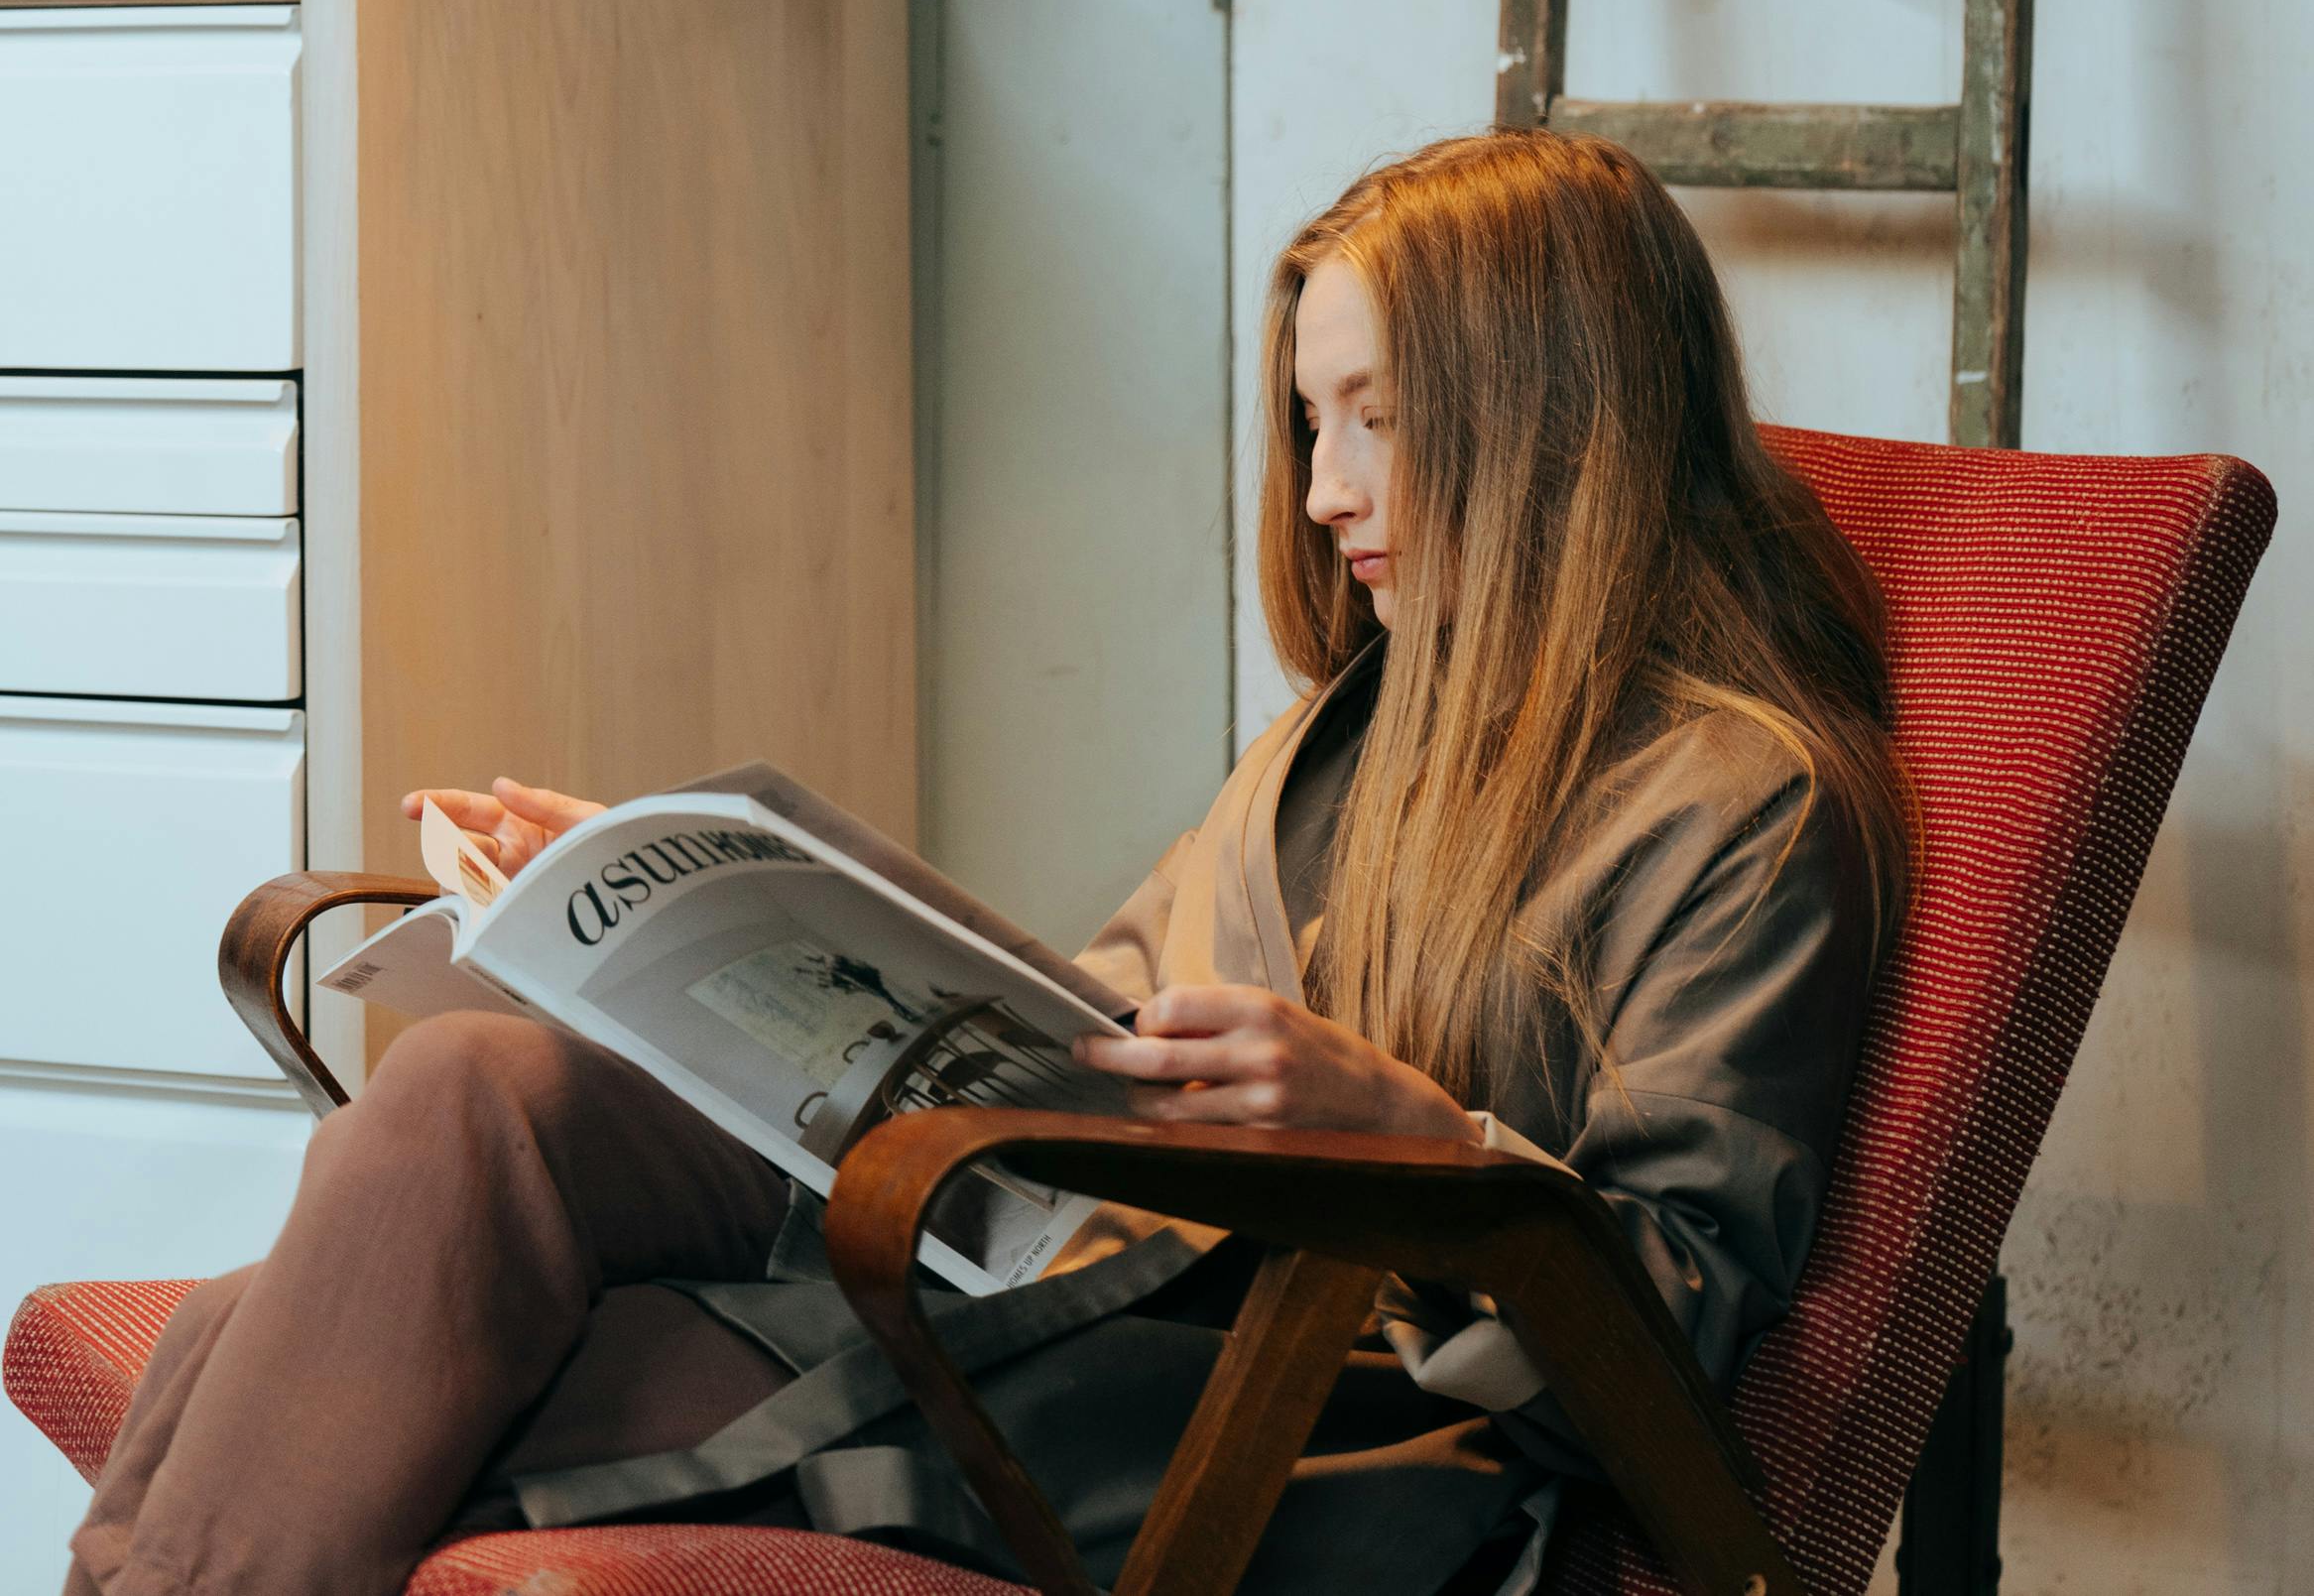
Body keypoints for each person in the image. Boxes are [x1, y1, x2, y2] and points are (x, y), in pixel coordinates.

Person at [68, 129, 1910, 1596]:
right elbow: (1097, 1023)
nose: (1328, 488)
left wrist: (1410, 1133)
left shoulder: (1738, 811)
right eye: (1309, 421)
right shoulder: (1355, 730)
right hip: (1049, 1245)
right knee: (478, 1074)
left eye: (1380, 420)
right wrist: (655, 912)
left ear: (1550, 426)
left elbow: (1675, 1340)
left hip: (1263, 1387)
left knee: (326, 1358)